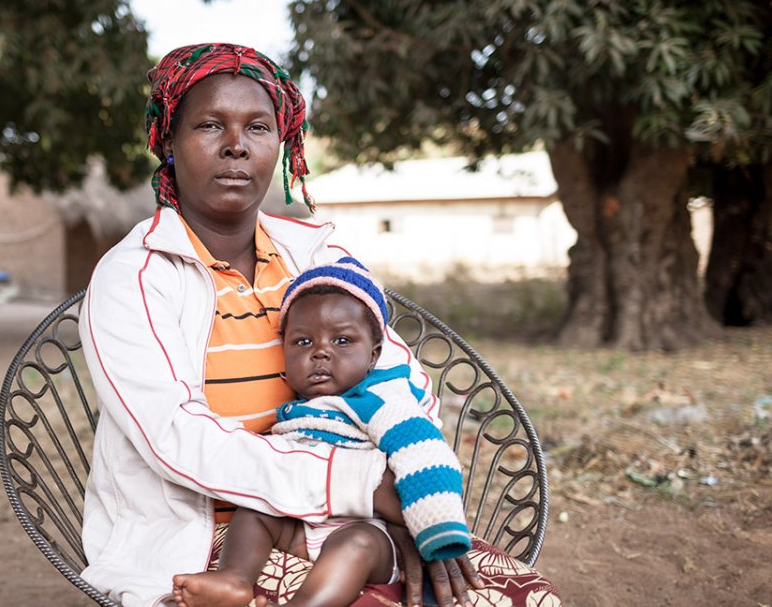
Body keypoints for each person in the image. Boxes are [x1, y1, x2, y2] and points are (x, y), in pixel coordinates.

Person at [79, 42, 559, 606]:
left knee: (527, 598)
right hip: (208, 533)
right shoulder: (132, 276)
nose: (236, 146)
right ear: (169, 142)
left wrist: (398, 501)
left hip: (352, 516)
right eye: (210, 125)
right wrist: (361, 485)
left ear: (279, 145)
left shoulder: (315, 255)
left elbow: (400, 382)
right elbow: (175, 439)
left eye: (258, 128)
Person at [172, 257, 473, 607]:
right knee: (253, 510)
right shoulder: (297, 408)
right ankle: (233, 580)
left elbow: (423, 450)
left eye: (342, 340)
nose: (321, 352)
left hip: (369, 530)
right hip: (297, 521)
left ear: (374, 354)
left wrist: (437, 526)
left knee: (355, 546)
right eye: (302, 343)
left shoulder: (381, 397)